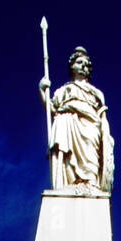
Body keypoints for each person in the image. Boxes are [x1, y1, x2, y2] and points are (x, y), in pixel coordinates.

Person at [40, 47, 114, 193]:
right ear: (72, 66)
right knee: (67, 154)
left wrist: (107, 137)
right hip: (67, 122)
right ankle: (68, 184)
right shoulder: (63, 90)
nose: (83, 66)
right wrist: (42, 91)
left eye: (86, 64)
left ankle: (91, 185)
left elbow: (102, 118)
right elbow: (51, 109)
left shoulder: (97, 93)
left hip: (90, 124)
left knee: (90, 153)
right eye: (79, 63)